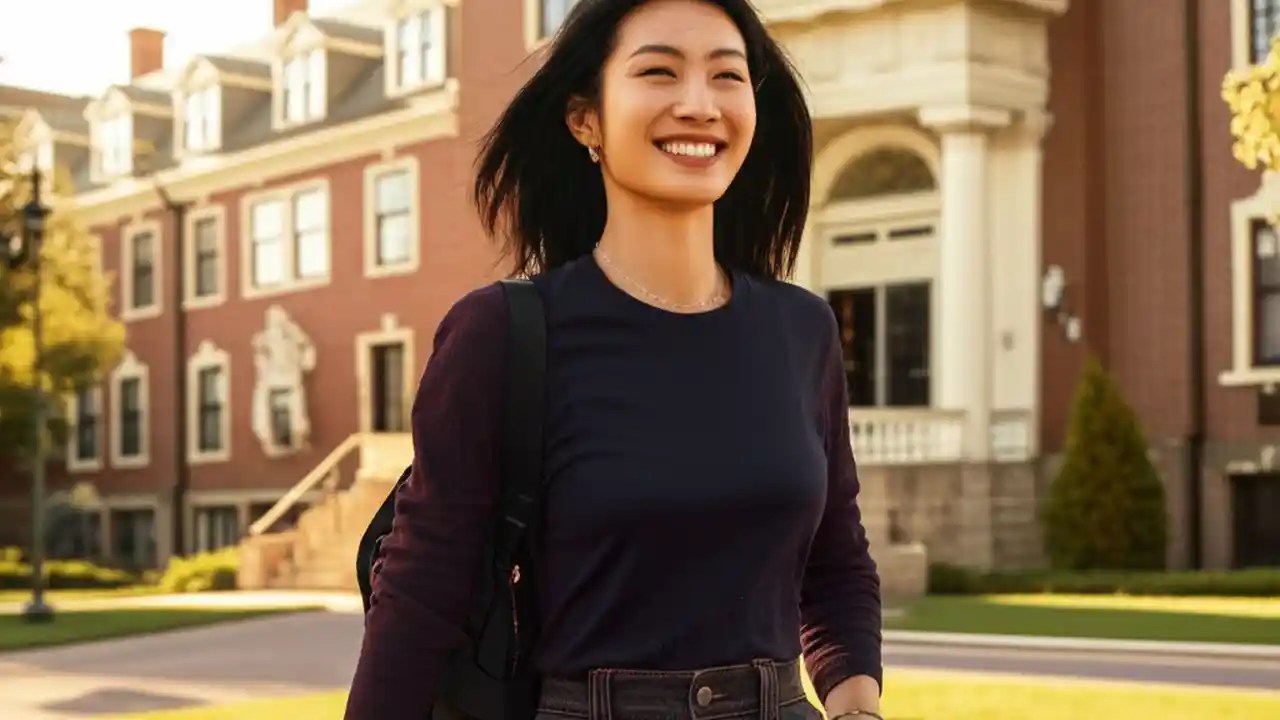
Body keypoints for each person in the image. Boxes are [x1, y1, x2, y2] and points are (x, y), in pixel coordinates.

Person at [344, 1, 884, 719]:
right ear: (584, 120)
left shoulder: (803, 330)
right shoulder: (502, 332)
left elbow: (836, 564)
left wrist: (856, 704)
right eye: (658, 72)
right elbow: (419, 593)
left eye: (728, 76)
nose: (699, 104)